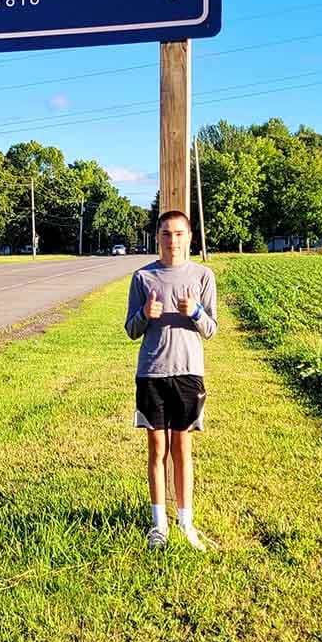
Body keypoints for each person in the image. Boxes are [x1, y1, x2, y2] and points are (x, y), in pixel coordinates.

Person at [125, 211, 217, 551]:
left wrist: (195, 312)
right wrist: (143, 316)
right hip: (152, 372)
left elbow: (211, 330)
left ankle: (186, 522)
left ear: (190, 237)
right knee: (157, 449)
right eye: (166, 233)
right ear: (157, 237)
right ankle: (158, 524)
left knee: (182, 449)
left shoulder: (203, 276)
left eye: (179, 234)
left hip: (188, 373)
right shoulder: (142, 277)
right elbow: (131, 330)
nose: (173, 241)